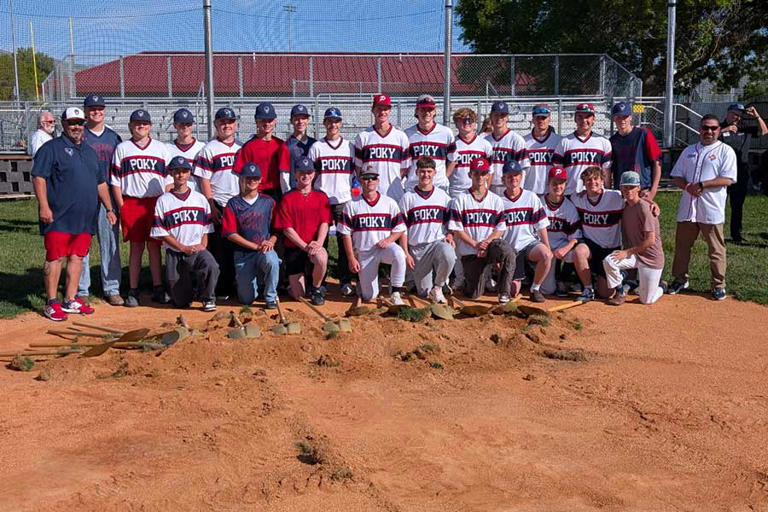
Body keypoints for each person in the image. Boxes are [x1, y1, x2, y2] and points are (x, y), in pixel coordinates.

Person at [31, 107, 117, 321]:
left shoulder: (89, 151)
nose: (76, 126)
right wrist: (44, 206)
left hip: (84, 217)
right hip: (58, 216)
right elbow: (39, 177)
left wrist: (109, 208)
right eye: (72, 123)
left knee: (77, 257)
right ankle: (52, 302)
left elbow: (100, 183)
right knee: (55, 257)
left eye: (79, 122)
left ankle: (70, 299)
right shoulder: (51, 148)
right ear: (63, 124)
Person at [669, 114, 737, 301]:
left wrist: (702, 184)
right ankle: (680, 279)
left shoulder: (725, 151)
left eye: (713, 128)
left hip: (711, 208)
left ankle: (718, 284)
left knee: (716, 249)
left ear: (718, 130)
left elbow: (728, 179)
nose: (709, 131)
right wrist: (688, 186)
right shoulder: (689, 150)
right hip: (688, 208)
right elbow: (676, 175)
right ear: (700, 129)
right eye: (705, 128)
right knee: (682, 247)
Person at [110, 109, 171, 307]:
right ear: (130, 126)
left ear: (150, 126)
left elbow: (168, 180)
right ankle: (133, 289)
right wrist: (122, 206)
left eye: (144, 123)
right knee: (136, 247)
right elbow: (115, 181)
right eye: (137, 123)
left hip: (155, 202)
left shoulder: (161, 149)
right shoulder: (123, 148)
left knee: (154, 246)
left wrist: (166, 204)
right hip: (132, 202)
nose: (141, 126)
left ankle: (157, 287)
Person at [150, 156, 219, 311]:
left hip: (197, 248)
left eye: (184, 171)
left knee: (211, 265)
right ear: (171, 174)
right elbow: (161, 232)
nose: (180, 175)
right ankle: (188, 292)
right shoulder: (163, 200)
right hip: (175, 251)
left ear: (189, 174)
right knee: (180, 302)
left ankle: (207, 297)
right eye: (177, 172)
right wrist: (182, 247)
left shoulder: (200, 199)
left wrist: (203, 245)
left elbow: (206, 228)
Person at [447, 157, 516, 303]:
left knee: (508, 252)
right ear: (470, 174)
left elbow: (500, 228)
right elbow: (457, 229)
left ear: (487, 175)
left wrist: (486, 243)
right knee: (473, 294)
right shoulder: (460, 199)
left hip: (490, 246)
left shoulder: (495, 200)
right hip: (471, 251)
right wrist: (475, 244)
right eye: (476, 173)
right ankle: (477, 278)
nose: (480, 177)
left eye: (483, 173)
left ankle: (504, 292)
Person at [338, 165, 407, 305]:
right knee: (369, 296)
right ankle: (365, 285)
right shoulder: (351, 205)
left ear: (378, 180)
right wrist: (351, 258)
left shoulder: (389, 202)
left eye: (373, 178)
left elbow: (400, 228)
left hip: (384, 248)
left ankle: (395, 292)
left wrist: (389, 240)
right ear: (360, 180)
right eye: (366, 178)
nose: (370, 181)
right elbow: (345, 234)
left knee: (399, 254)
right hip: (365, 252)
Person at [78, 93, 124, 306]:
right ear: (85, 111)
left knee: (110, 243)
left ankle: (112, 287)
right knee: (83, 243)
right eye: (92, 108)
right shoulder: (80, 135)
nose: (96, 112)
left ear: (105, 110)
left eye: (100, 108)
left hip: (108, 199)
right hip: (84, 196)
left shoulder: (114, 137)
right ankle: (81, 289)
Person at [307, 106, 357, 296]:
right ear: (324, 123)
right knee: (322, 242)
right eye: (329, 121)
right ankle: (321, 280)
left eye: (336, 121)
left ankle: (345, 280)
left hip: (343, 199)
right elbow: (311, 174)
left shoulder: (349, 147)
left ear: (340, 123)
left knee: (345, 241)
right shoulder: (317, 147)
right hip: (322, 200)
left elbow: (354, 173)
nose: (333, 124)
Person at [194, 107, 243, 299]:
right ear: (216, 125)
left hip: (238, 204)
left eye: (230, 122)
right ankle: (219, 288)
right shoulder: (209, 149)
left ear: (236, 125)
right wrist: (211, 205)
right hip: (219, 203)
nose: (227, 125)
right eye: (222, 122)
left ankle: (236, 284)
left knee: (236, 247)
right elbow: (204, 179)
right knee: (219, 249)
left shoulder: (241, 148)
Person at [273, 156, 331, 305]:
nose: (305, 176)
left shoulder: (321, 197)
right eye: (301, 172)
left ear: (314, 174)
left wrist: (318, 243)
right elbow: (287, 229)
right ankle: (292, 284)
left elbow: (325, 222)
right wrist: (305, 247)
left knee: (321, 257)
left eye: (309, 172)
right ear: (295, 174)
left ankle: (317, 288)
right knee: (299, 296)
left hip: (314, 245)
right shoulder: (288, 198)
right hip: (296, 248)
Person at [221, 163, 280, 309]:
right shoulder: (233, 203)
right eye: (248, 178)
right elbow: (230, 234)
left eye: (255, 178)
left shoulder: (268, 202)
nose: (251, 181)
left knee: (272, 260)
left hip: (264, 250)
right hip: (243, 254)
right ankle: (256, 283)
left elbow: (277, 229)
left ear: (260, 180)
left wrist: (270, 242)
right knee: (246, 299)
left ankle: (271, 296)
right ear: (241, 179)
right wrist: (255, 246)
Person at [602, 171, 665, 306]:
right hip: (636, 256)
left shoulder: (645, 208)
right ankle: (620, 291)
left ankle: (662, 287)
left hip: (651, 258)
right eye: (625, 187)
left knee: (646, 300)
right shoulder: (624, 206)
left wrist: (626, 252)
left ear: (638, 188)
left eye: (631, 187)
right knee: (609, 261)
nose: (628, 190)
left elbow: (650, 240)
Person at [398, 156, 456, 303]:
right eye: (422, 171)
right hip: (418, 248)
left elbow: (451, 221)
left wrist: (449, 235)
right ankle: (428, 284)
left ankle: (439, 287)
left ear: (435, 173)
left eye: (429, 171)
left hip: (437, 243)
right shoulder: (408, 197)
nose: (426, 175)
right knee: (423, 292)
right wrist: (405, 252)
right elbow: (402, 229)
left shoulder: (443, 196)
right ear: (417, 172)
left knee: (449, 254)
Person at [499, 160, 552, 302]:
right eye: (509, 176)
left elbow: (541, 225)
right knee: (513, 291)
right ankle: (517, 278)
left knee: (546, 255)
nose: (513, 179)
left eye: (516, 175)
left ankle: (535, 289)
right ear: (503, 178)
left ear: (521, 177)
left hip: (528, 244)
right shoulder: (498, 201)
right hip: (509, 249)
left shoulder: (530, 197)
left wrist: (546, 245)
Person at [570, 166, 625, 301]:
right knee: (579, 252)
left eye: (596, 179)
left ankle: (620, 275)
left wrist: (651, 204)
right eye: (588, 180)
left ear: (602, 181)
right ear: (583, 183)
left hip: (609, 248)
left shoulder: (614, 197)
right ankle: (588, 288)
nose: (592, 182)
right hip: (591, 246)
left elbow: (635, 198)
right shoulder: (578, 198)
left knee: (606, 293)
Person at [719, 103, 767, 243]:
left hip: (740, 171)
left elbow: (763, 131)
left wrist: (757, 116)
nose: (737, 117)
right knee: (719, 204)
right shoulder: (718, 127)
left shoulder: (745, 127)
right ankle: (716, 233)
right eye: (734, 114)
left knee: (737, 205)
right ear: (728, 113)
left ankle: (736, 234)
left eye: (739, 115)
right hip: (722, 172)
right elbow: (708, 138)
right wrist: (725, 129)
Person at [354, 94, 411, 201]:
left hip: (394, 193)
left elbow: (404, 168)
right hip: (370, 194)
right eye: (379, 108)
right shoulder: (363, 137)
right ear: (373, 110)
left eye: (385, 109)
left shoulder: (400, 136)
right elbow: (358, 168)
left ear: (390, 111)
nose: (382, 112)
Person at [233, 102, 291, 199]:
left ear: (275, 121)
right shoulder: (249, 146)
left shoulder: (280, 145)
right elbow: (241, 175)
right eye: (263, 120)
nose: (267, 123)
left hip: (277, 192)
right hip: (256, 193)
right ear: (256, 121)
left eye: (270, 120)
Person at [553, 103, 612, 196]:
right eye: (580, 117)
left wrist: (607, 192)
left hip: (596, 194)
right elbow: (558, 171)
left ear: (593, 119)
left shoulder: (603, 142)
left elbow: (606, 172)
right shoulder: (564, 142)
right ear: (575, 119)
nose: (584, 120)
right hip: (571, 194)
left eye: (588, 116)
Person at [540, 166, 582, 296]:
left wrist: (565, 248)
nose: (558, 186)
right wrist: (546, 249)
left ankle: (569, 280)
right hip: (543, 248)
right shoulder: (539, 203)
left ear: (565, 184)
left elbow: (575, 237)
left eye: (561, 183)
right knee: (548, 290)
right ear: (548, 183)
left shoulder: (569, 207)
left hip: (561, 247)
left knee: (579, 254)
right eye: (554, 183)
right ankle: (532, 273)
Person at [608, 101, 662, 200]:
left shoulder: (643, 134)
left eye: (625, 116)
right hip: (622, 191)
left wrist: (652, 192)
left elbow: (657, 163)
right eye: (618, 117)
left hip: (641, 190)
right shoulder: (612, 141)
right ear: (613, 119)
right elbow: (608, 169)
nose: (622, 120)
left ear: (631, 117)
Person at [403, 94, 456, 193]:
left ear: (435, 111)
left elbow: (453, 159)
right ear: (416, 111)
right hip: (414, 186)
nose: (427, 113)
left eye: (430, 110)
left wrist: (444, 177)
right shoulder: (407, 134)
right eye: (423, 110)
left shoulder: (446, 132)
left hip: (439, 186)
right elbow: (404, 163)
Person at [485, 100, 530, 196]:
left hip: (509, 187)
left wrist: (518, 190)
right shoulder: (485, 141)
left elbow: (523, 169)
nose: (499, 118)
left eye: (502, 115)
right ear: (491, 117)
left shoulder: (516, 140)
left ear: (507, 118)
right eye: (496, 115)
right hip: (490, 186)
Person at [448, 107, 493, 199]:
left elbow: (490, 171)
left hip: (478, 191)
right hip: (457, 192)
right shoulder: (451, 145)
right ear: (456, 123)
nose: (467, 123)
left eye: (470, 120)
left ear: (475, 123)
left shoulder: (485, 144)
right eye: (463, 120)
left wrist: (484, 190)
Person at [523, 104, 562, 195]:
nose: (541, 121)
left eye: (544, 118)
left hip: (551, 192)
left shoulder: (559, 141)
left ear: (549, 119)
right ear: (533, 120)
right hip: (530, 191)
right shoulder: (523, 142)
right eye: (537, 118)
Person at [166, 108, 205, 193]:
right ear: (175, 125)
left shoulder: (202, 148)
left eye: (188, 124)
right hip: (175, 196)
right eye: (181, 124)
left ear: (193, 125)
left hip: (197, 196)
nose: (185, 127)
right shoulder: (167, 149)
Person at [285, 104, 317, 191]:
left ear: (308, 120)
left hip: (312, 190)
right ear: (291, 121)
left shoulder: (315, 144)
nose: (300, 121)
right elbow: (284, 174)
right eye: (296, 119)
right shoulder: (287, 145)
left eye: (303, 118)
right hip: (294, 190)